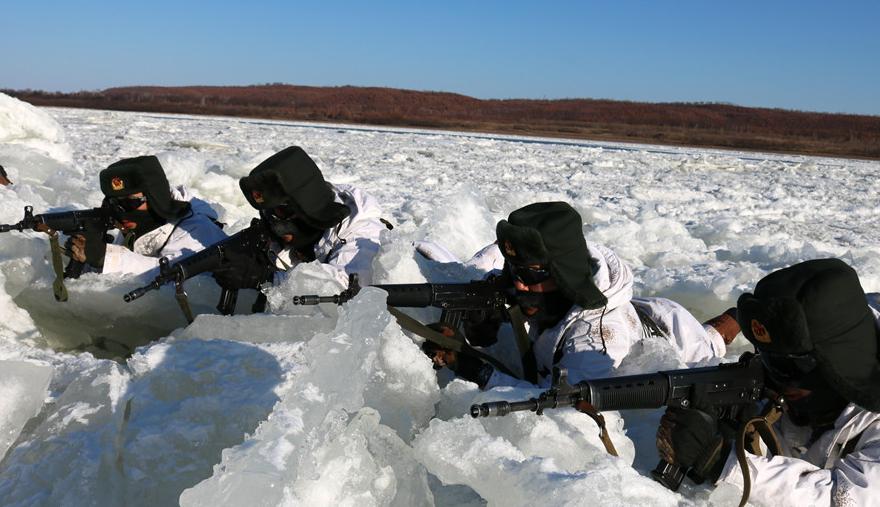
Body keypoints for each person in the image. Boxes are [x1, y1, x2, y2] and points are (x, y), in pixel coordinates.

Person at [425, 201, 737, 389]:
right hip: (640, 313)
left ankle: (739, 316)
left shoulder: (597, 339)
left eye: (532, 275)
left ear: (564, 273)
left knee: (714, 341)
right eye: (515, 271)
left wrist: (476, 370)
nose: (520, 285)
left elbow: (560, 408)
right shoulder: (536, 281)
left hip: (673, 333)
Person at [656, 258, 880, 505]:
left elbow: (843, 498)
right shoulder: (789, 391)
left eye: (795, 366)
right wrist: (735, 428)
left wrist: (723, 463)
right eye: (771, 362)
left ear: (843, 359)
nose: (783, 379)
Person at [213, 146, 386, 292]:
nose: (275, 224)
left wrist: (266, 279)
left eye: (281, 212)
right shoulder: (276, 232)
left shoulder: (362, 233)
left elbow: (345, 290)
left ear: (307, 206)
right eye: (268, 212)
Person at [67, 155, 227, 275]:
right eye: (115, 204)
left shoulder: (197, 232)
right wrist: (85, 256)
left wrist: (107, 257)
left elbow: (175, 276)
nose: (122, 212)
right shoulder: (135, 228)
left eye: (131, 203)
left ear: (155, 197)